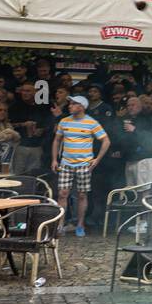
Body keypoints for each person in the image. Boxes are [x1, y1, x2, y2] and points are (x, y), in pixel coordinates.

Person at [52, 95, 110, 237]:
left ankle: (80, 224)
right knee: (62, 194)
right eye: (70, 104)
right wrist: (54, 159)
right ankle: (60, 225)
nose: (69, 106)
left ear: (81, 106)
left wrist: (97, 159)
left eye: (73, 104)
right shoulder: (64, 121)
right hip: (66, 163)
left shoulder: (91, 122)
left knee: (82, 195)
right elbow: (57, 140)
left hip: (84, 164)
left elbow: (106, 141)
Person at [116, 95, 152, 192]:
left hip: (145, 158)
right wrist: (120, 150)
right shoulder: (126, 119)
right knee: (131, 190)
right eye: (128, 105)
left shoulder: (148, 119)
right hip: (130, 158)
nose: (130, 107)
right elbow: (123, 138)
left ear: (140, 106)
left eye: (133, 105)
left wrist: (135, 130)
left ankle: (144, 207)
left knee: (144, 189)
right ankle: (136, 207)